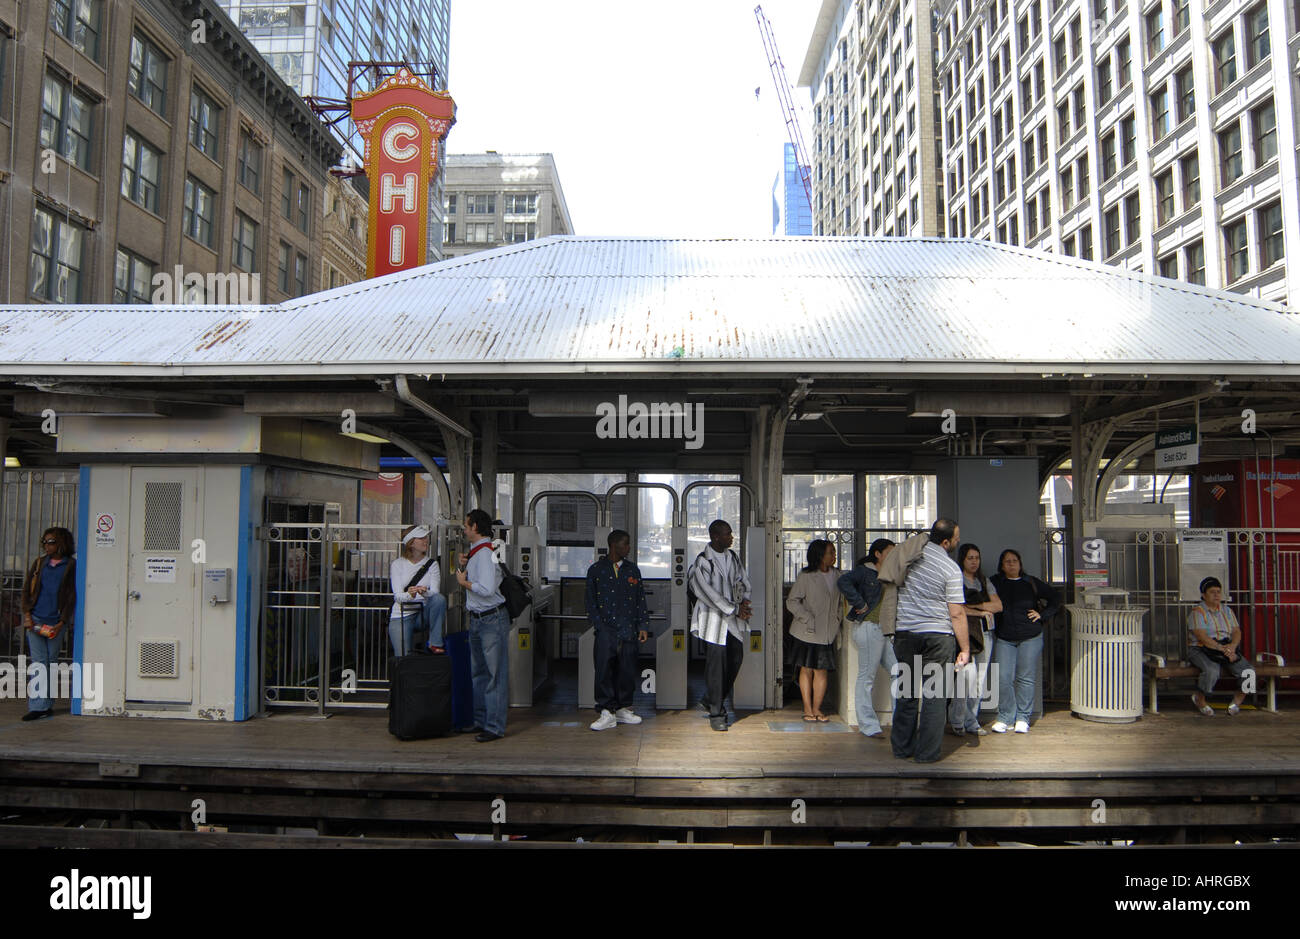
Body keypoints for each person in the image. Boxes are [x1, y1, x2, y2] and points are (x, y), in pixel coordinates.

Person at [890, 518, 969, 764]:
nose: (958, 542)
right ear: (946, 542)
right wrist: (965, 648)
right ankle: (926, 754)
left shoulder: (908, 558)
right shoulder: (950, 569)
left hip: (905, 634)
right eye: (956, 538)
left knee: (907, 693)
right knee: (934, 697)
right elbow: (956, 612)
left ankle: (902, 748)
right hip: (938, 637)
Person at [688, 519, 753, 732]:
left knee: (736, 658)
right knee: (716, 667)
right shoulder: (702, 561)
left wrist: (744, 601)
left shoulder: (732, 557)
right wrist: (733, 608)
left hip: (733, 621)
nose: (731, 537)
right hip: (712, 621)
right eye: (727, 534)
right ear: (715, 536)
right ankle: (716, 713)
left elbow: (743, 581)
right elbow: (706, 593)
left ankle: (710, 698)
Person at [988, 548, 1060, 734]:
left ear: (1020, 563)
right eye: (1007, 561)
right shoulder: (996, 582)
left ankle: (1022, 717)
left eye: (1014, 560)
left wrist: (1042, 615)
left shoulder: (1031, 582)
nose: (1011, 564)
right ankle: (1005, 717)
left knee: (1025, 678)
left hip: (1031, 637)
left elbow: (1055, 598)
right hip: (1005, 638)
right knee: (1004, 677)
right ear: (1002, 566)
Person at [585, 530, 650, 731]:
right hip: (606, 630)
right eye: (626, 544)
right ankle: (606, 711)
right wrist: (600, 626)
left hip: (628, 629)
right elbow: (590, 602)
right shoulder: (596, 570)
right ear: (614, 546)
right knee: (604, 669)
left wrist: (643, 626)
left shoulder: (633, 571)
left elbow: (640, 600)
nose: (629, 548)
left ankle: (623, 708)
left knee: (627, 669)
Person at [456, 509, 509, 742]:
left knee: (492, 675)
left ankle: (494, 726)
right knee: (480, 673)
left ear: (475, 526)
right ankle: (481, 721)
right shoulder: (479, 552)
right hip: (480, 619)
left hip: (490, 619)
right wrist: (464, 567)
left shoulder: (486, 553)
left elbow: (486, 589)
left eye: (466, 525)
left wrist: (464, 583)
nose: (464, 529)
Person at [838, 538, 896, 737]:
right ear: (878, 554)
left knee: (898, 670)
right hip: (869, 627)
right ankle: (868, 725)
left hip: (883, 630)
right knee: (867, 676)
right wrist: (859, 603)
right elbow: (843, 581)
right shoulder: (865, 571)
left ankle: (900, 718)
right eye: (889, 552)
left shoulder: (891, 573)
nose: (893, 556)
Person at [20, 527, 76, 721]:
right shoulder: (39, 564)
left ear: (61, 543)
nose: (46, 545)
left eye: (50, 541)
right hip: (36, 620)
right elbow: (27, 589)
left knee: (50, 662)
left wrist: (62, 622)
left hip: (55, 623)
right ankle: (38, 706)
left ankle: (45, 704)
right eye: (44, 541)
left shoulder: (71, 566)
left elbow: (71, 597)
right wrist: (27, 614)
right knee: (39, 663)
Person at [947, 543, 1002, 737]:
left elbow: (998, 606)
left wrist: (976, 606)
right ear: (962, 559)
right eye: (970, 558)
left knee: (979, 680)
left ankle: (972, 720)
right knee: (965, 678)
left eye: (976, 558)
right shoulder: (955, 579)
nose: (974, 561)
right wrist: (980, 612)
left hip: (986, 633)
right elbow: (956, 608)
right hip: (965, 634)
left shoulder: (984, 581)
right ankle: (957, 719)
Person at [786, 539, 841, 722]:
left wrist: (838, 617)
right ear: (819, 555)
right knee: (806, 669)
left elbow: (841, 602)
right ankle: (807, 709)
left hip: (827, 632)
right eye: (830, 553)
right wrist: (807, 617)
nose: (833, 556)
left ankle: (817, 709)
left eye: (834, 552)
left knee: (822, 670)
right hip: (806, 631)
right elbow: (792, 600)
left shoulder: (838, 575)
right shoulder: (806, 575)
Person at [1186, 576, 1253, 716]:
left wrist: (1232, 646)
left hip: (1226, 647)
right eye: (1212, 592)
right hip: (1201, 648)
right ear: (1204, 595)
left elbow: (1236, 631)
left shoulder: (1227, 611)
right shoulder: (1197, 612)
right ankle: (1200, 698)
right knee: (1211, 671)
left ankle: (1237, 701)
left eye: (1218, 591)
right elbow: (1202, 636)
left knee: (1249, 672)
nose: (1216, 595)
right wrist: (1222, 649)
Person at [387, 525, 447, 657]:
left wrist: (424, 592)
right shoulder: (398, 564)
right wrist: (410, 594)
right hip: (401, 615)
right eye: (421, 538)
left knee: (439, 599)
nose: (426, 541)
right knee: (402, 658)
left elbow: (435, 593)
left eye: (426, 537)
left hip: (423, 613)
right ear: (411, 542)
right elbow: (397, 596)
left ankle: (435, 642)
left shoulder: (432, 564)